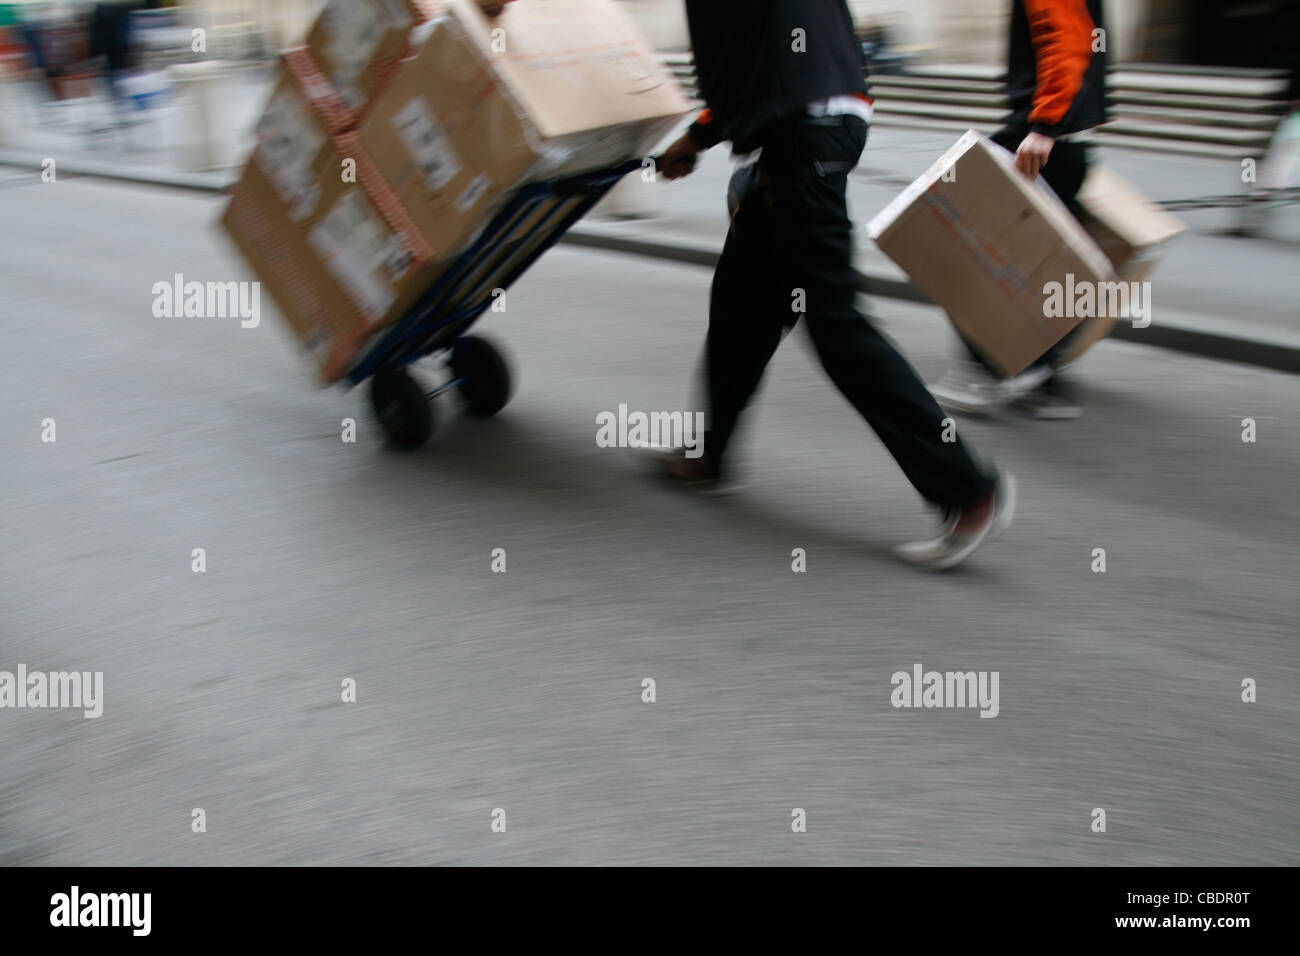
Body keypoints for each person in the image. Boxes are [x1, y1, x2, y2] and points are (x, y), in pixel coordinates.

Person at [654, 0, 1015, 570]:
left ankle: (969, 492)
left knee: (837, 326)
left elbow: (756, 49)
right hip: (800, 123)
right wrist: (700, 136)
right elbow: (756, 40)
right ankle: (708, 454)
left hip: (805, 130)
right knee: (741, 307)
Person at [929, 0, 1109, 420]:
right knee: (1053, 262)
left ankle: (988, 371)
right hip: (1065, 135)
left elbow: (1066, 40)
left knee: (962, 242)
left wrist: (1045, 125)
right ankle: (1047, 378)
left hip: (1041, 136)